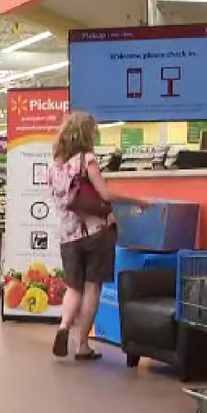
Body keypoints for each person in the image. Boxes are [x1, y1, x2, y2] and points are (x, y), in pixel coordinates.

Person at [48, 111, 149, 360]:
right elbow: (105, 194)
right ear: (86, 134)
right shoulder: (87, 160)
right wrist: (137, 201)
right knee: (92, 287)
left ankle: (63, 327)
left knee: (74, 288)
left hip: (68, 235)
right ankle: (82, 345)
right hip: (96, 233)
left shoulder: (54, 166)